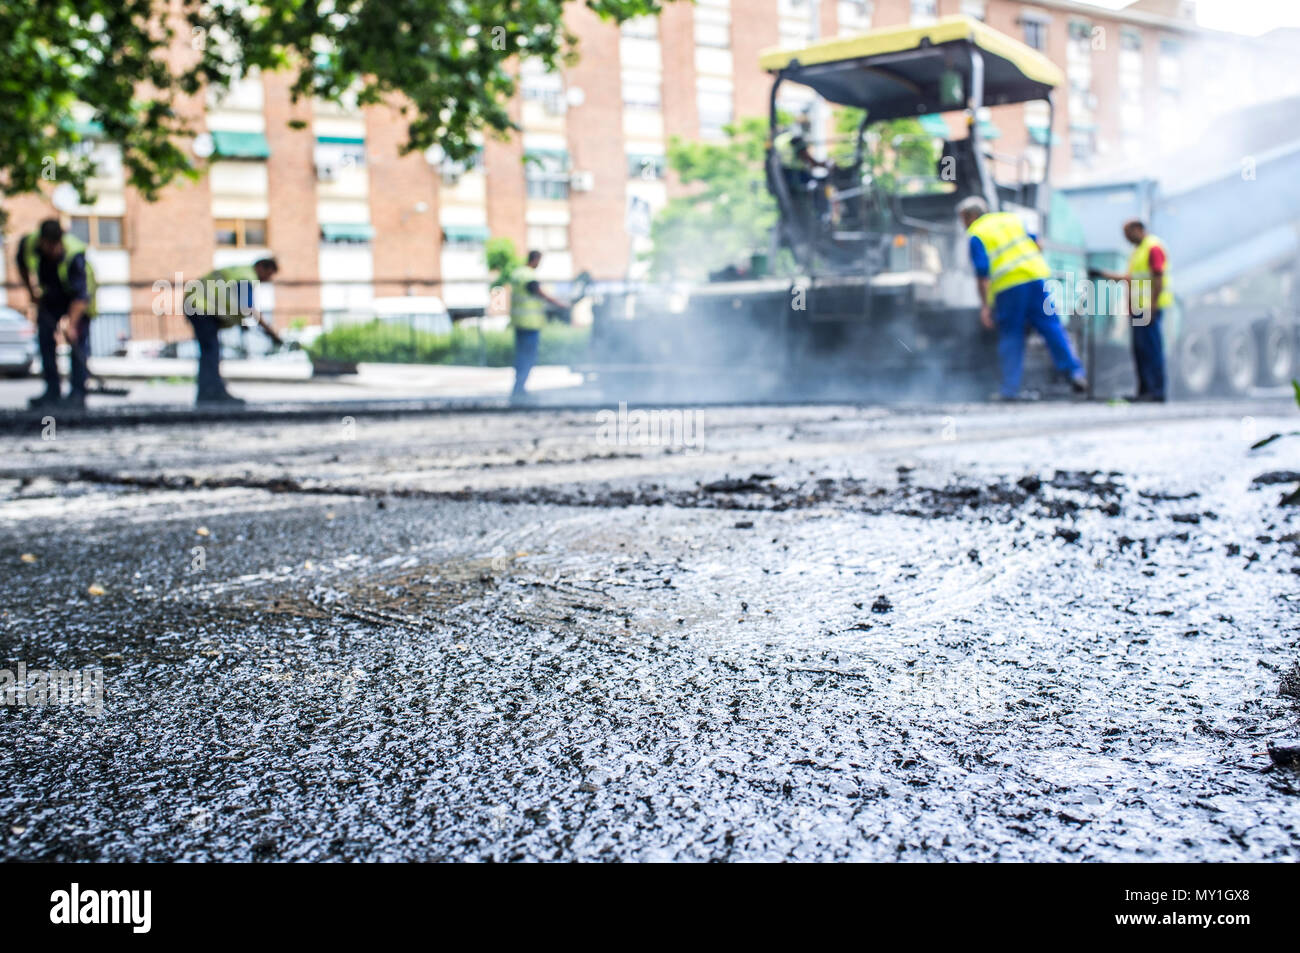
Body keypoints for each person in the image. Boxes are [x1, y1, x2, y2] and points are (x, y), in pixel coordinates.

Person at [958, 196, 1088, 400]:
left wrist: (985, 306)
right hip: (1036, 279)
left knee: (1012, 336)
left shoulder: (977, 233)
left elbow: (982, 274)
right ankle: (1075, 373)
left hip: (1009, 287)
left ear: (971, 216)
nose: (963, 224)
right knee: (1052, 328)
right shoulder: (1011, 219)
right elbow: (1038, 244)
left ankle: (1010, 389)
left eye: (963, 219)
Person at [15, 219, 96, 409]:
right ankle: (52, 391)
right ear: (42, 241)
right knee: (45, 339)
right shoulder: (29, 244)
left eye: (56, 245)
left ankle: (78, 393)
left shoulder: (74, 253)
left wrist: (72, 325)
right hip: (50, 296)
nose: (53, 249)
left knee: (78, 342)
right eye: (49, 245)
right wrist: (32, 292)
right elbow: (21, 265)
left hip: (77, 298)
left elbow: (81, 295)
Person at [185, 259, 281, 405]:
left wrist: (240, 323)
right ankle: (210, 393)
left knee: (210, 350)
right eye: (268, 274)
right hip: (200, 306)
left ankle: (210, 391)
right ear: (261, 267)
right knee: (211, 350)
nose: (267, 279)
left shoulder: (239, 270)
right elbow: (248, 307)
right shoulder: (246, 276)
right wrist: (271, 333)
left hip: (196, 304)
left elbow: (232, 301)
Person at [1101, 219, 1171, 402]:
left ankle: (1156, 392)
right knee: (1140, 350)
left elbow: (1158, 277)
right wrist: (1107, 275)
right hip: (1138, 308)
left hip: (1148, 308)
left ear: (1138, 229)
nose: (1127, 239)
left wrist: (1153, 305)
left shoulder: (1153, 247)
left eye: (1128, 234)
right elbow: (1133, 278)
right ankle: (1145, 391)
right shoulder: (1138, 251)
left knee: (1150, 350)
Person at [508, 250, 566, 402]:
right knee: (527, 357)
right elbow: (540, 293)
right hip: (530, 323)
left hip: (519, 322)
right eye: (539, 261)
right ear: (535, 260)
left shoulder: (517, 273)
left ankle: (518, 389)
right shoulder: (528, 275)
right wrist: (561, 304)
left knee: (521, 357)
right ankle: (519, 391)